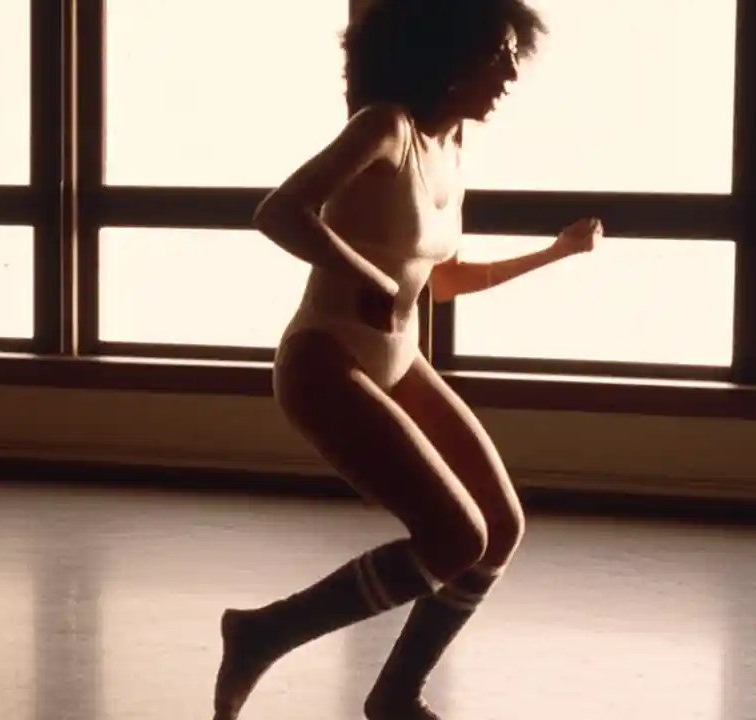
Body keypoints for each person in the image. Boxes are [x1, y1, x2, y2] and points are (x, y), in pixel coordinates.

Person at [214, 1, 601, 718]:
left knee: (499, 530)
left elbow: (443, 279)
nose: (513, 72)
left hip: (397, 359)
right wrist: (368, 276)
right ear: (449, 59)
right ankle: (262, 634)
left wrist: (554, 253)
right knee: (454, 536)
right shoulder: (384, 127)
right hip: (325, 363)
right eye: (500, 54)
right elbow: (280, 211)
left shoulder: (451, 148)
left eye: (516, 54)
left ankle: (396, 693)